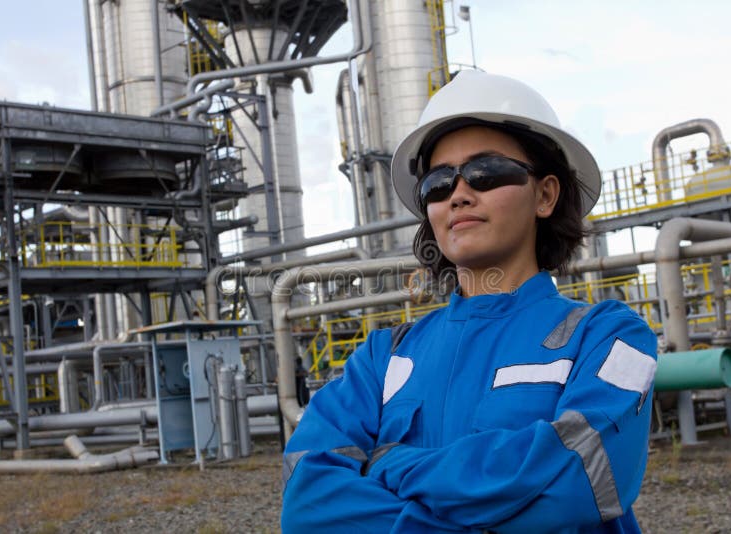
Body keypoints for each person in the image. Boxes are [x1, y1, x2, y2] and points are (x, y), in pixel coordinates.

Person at [281, 70, 657, 533]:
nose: (459, 194)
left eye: (486, 172)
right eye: (438, 183)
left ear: (545, 195)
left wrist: (391, 464)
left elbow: (581, 476)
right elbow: (307, 499)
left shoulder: (610, 337)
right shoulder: (382, 358)